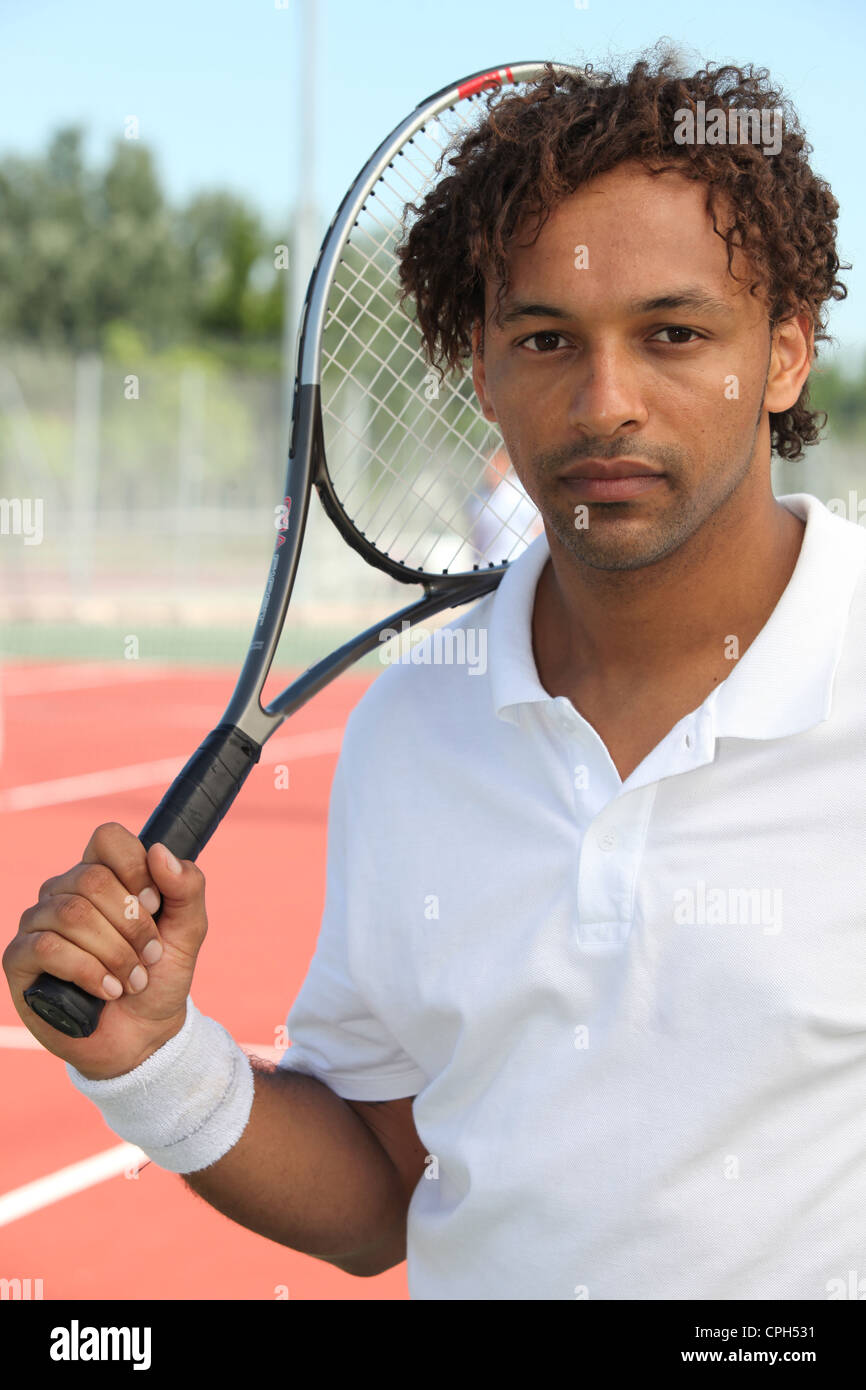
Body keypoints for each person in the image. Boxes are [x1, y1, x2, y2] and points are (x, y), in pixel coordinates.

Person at [5, 50, 864, 1300]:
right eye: (544, 338)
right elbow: (379, 1196)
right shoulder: (414, 728)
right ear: (481, 369)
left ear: (782, 354)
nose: (603, 400)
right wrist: (152, 1059)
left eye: (672, 334)